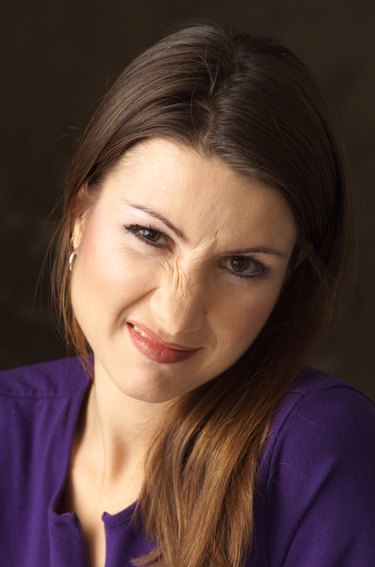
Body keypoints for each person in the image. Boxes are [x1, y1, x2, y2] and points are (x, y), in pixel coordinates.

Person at [0, 21, 374, 567]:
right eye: (150, 236)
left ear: (289, 278)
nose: (176, 315)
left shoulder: (321, 454)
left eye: (242, 265)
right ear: (81, 217)